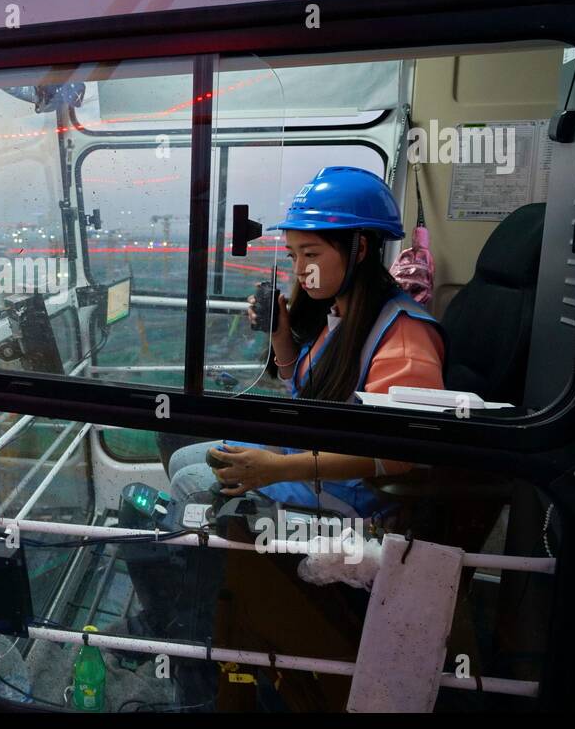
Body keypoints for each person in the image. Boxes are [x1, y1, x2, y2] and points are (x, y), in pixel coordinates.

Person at [168, 166, 447, 518]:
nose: (299, 269)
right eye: (292, 255)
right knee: (183, 457)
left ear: (359, 249)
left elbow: (400, 454)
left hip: (349, 495)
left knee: (190, 479)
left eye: (311, 254)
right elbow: (303, 388)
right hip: (306, 457)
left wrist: (276, 468)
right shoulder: (338, 315)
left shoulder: (404, 339)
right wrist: (281, 335)